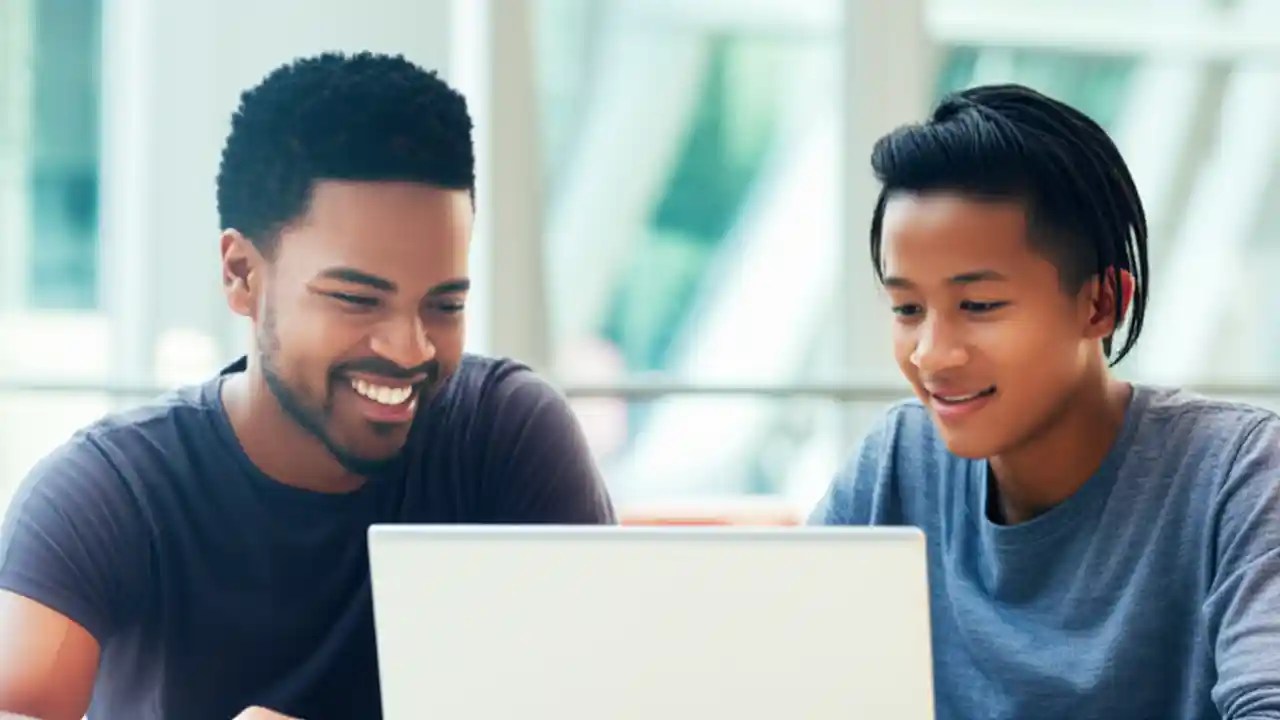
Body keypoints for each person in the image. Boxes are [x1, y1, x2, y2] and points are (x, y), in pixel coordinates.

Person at [0, 52, 615, 720]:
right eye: (356, 299)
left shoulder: (507, 436)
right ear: (241, 273)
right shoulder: (112, 491)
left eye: (444, 306)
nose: (410, 348)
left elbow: (616, 694)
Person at [812, 84, 1280, 719]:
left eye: (978, 306)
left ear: (1102, 304)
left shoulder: (1240, 473)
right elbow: (780, 674)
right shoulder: (899, 462)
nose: (930, 354)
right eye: (907, 309)